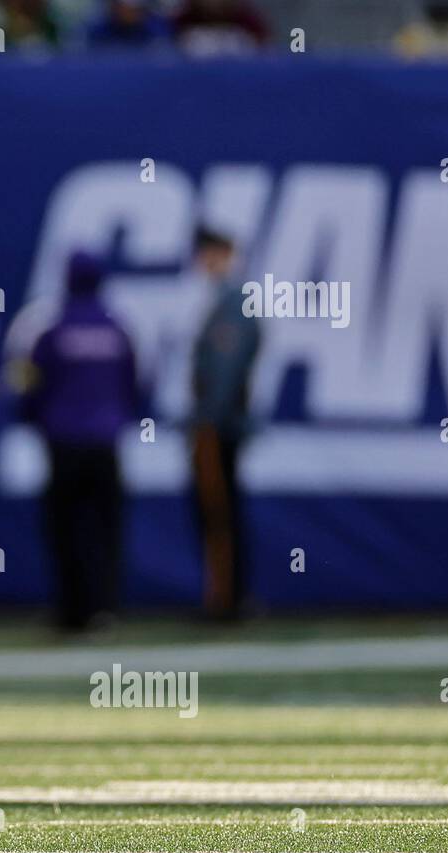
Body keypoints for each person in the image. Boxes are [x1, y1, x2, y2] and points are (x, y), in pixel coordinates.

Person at [22, 252, 137, 632]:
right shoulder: (118, 329)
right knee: (105, 528)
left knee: (65, 528)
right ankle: (105, 608)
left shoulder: (51, 327)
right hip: (106, 444)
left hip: (64, 444)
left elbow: (30, 384)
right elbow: (135, 385)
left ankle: (71, 612)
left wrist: (37, 419)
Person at [188, 226, 260, 621]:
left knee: (218, 514)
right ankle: (226, 595)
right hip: (218, 425)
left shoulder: (233, 303)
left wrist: (206, 423)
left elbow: (224, 372)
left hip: (219, 428)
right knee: (218, 512)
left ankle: (226, 599)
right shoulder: (221, 300)